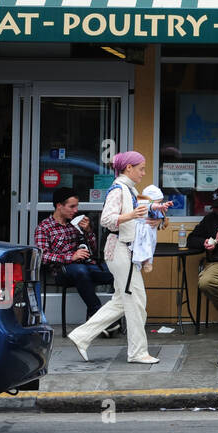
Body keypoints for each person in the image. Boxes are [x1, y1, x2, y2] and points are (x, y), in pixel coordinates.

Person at [68, 151, 159, 365]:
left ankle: (81, 336)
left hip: (123, 250)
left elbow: (141, 216)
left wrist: (155, 217)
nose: (143, 173)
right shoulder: (119, 190)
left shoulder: (130, 189)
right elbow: (107, 220)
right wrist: (133, 215)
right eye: (141, 168)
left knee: (122, 301)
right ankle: (137, 352)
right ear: (128, 168)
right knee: (136, 301)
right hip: (120, 250)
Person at [35, 187, 114, 327]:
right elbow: (42, 256)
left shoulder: (74, 224)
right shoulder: (44, 227)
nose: (76, 210)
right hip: (62, 271)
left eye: (76, 206)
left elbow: (93, 250)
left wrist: (88, 231)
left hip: (86, 267)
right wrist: (70, 257)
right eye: (72, 206)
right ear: (59, 206)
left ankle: (114, 316)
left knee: (117, 273)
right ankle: (98, 315)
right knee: (80, 271)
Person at [187, 186, 218, 316]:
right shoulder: (210, 219)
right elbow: (191, 239)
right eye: (215, 206)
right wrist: (203, 243)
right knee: (206, 282)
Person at [132, 183, 171, 274]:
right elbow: (150, 206)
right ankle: (145, 261)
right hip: (142, 231)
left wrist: (161, 220)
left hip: (151, 232)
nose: (159, 204)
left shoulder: (158, 208)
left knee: (150, 245)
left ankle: (148, 261)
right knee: (143, 245)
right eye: (158, 202)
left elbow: (165, 223)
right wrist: (158, 206)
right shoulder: (143, 204)